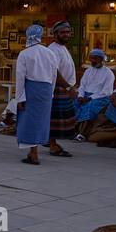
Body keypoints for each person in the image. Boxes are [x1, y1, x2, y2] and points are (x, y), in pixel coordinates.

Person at [14, 24, 60, 165]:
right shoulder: (50, 53)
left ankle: (33, 153)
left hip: (31, 89)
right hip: (46, 90)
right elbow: (54, 75)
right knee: (41, 121)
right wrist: (50, 93)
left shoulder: (25, 54)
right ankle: (33, 151)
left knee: (29, 120)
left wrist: (20, 97)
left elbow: (20, 78)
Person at [45, 21, 78, 157]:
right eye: (63, 32)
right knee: (55, 119)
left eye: (68, 32)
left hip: (64, 87)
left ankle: (52, 142)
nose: (66, 34)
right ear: (55, 34)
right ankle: (52, 146)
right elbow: (55, 72)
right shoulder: (52, 49)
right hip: (57, 88)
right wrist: (68, 87)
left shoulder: (63, 48)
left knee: (59, 119)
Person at [72, 48, 115, 140]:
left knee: (89, 107)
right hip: (85, 96)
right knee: (74, 105)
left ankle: (81, 134)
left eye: (95, 58)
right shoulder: (88, 71)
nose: (92, 61)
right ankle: (72, 131)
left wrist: (90, 98)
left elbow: (106, 92)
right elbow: (82, 85)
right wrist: (80, 96)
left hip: (100, 98)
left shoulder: (109, 73)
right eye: (91, 58)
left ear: (101, 59)